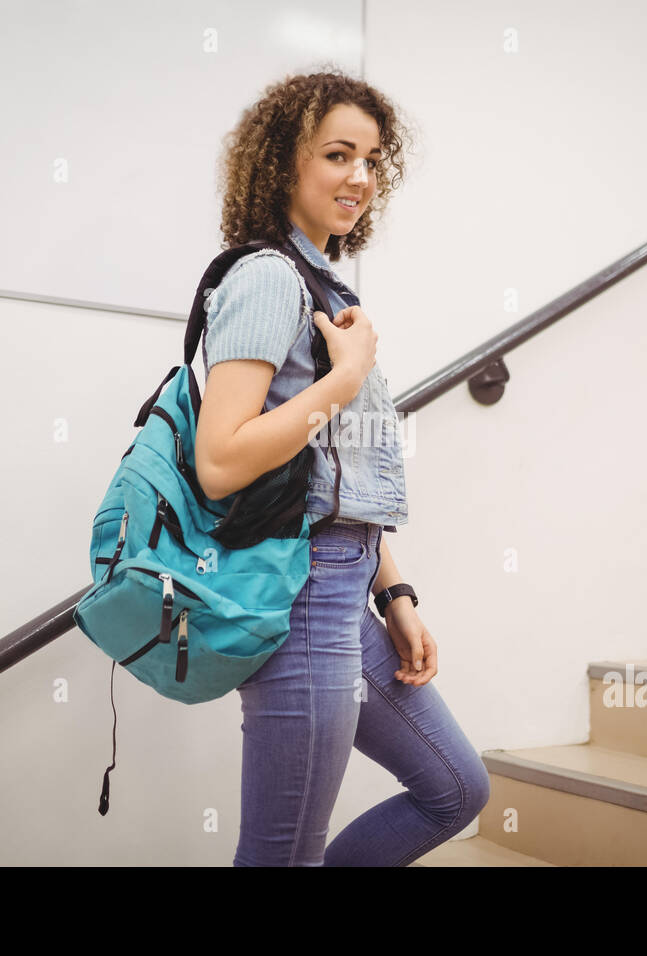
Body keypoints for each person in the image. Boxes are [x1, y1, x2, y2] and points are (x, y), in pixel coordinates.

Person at [194, 69, 491, 866]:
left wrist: (394, 591)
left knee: (456, 789)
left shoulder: (325, 286)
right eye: (336, 154)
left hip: (346, 588)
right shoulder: (265, 278)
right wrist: (345, 380)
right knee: (282, 850)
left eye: (371, 159)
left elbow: (336, 473)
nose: (359, 176)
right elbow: (221, 461)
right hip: (299, 596)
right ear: (281, 164)